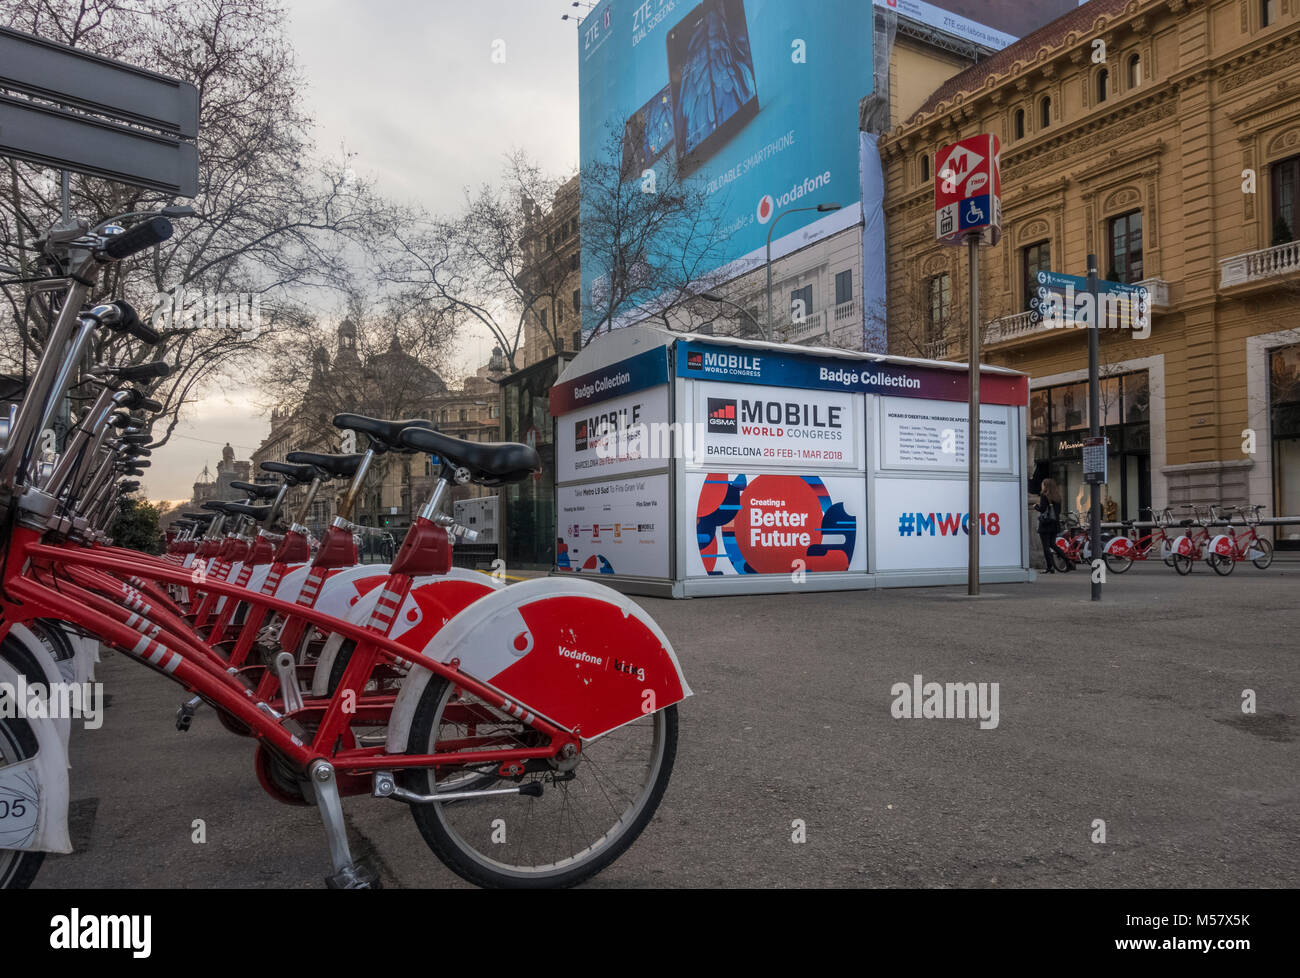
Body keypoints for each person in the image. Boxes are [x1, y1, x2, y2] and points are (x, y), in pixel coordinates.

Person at [1036, 478, 1071, 572]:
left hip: (1046, 524)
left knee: (1046, 547)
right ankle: (1068, 561)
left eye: (1043, 484)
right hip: (1055, 524)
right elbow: (1057, 512)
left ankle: (1050, 567)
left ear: (1045, 486)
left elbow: (1043, 509)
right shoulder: (1058, 497)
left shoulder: (1044, 496)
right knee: (1053, 544)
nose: (1041, 486)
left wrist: (1036, 507)